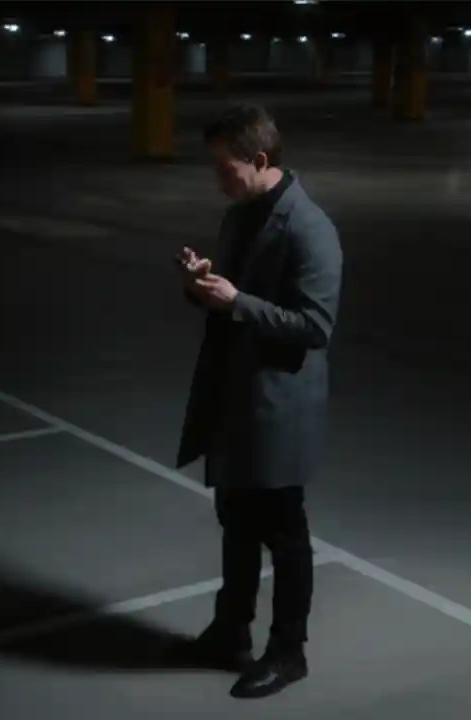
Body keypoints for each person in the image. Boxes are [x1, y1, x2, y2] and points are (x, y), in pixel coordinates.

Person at [170, 104, 343, 699]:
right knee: (235, 524)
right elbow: (233, 297)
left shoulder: (309, 227)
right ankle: (230, 630)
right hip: (235, 397)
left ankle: (288, 650)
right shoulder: (240, 215)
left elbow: (315, 327)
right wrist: (205, 285)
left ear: (261, 160)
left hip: (276, 408)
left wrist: (237, 300)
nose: (218, 179)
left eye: (226, 167)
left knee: (284, 532)